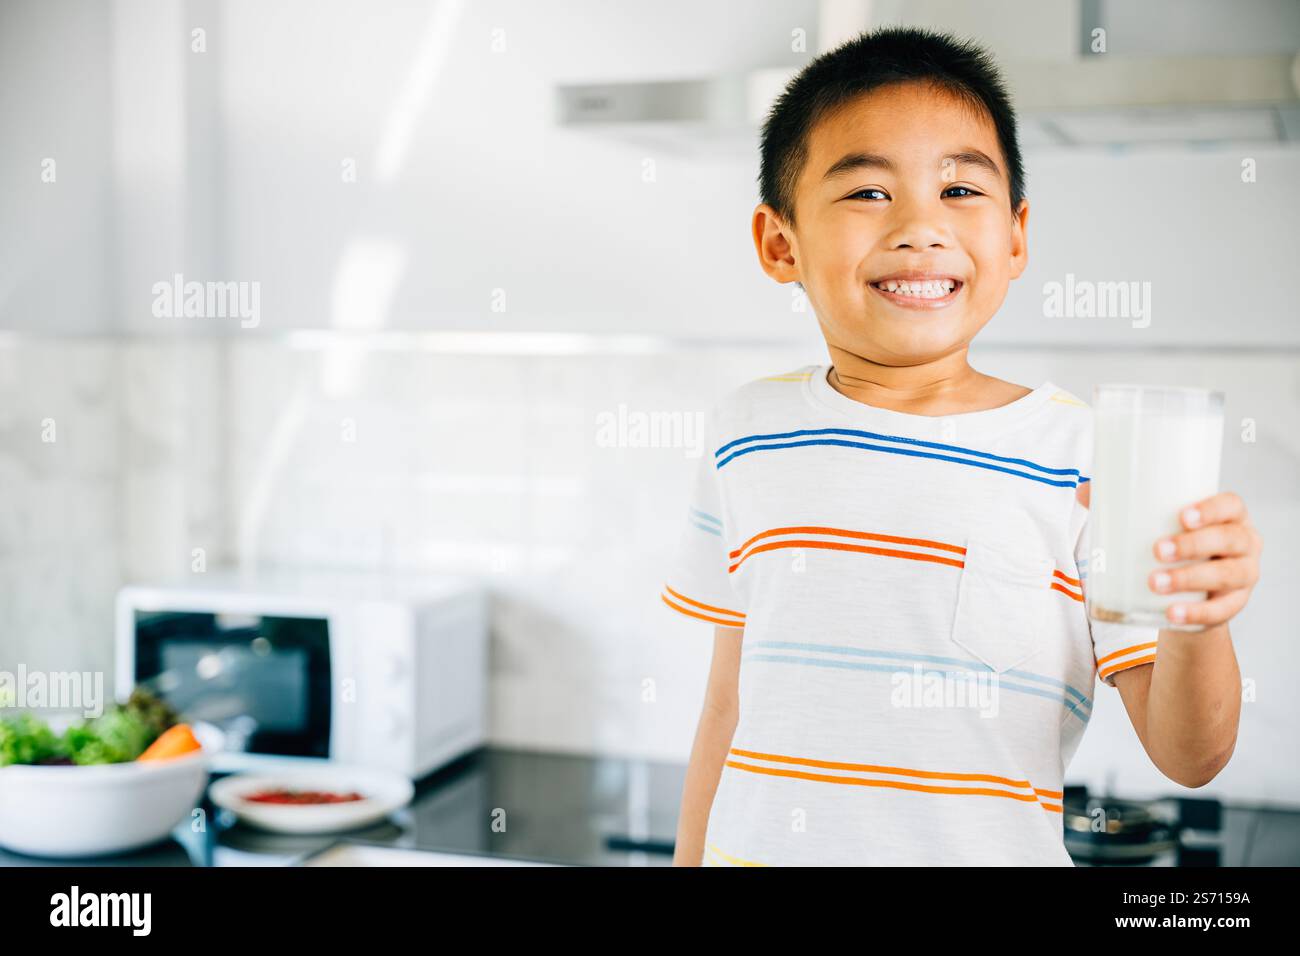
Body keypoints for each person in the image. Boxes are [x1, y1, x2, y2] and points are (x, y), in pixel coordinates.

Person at [663, 27, 1262, 867]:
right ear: (779, 243)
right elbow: (727, 705)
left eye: (959, 190)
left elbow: (1189, 756)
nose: (919, 227)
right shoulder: (746, 433)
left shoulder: (1089, 455)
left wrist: (1200, 620)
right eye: (868, 192)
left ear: (1015, 237)